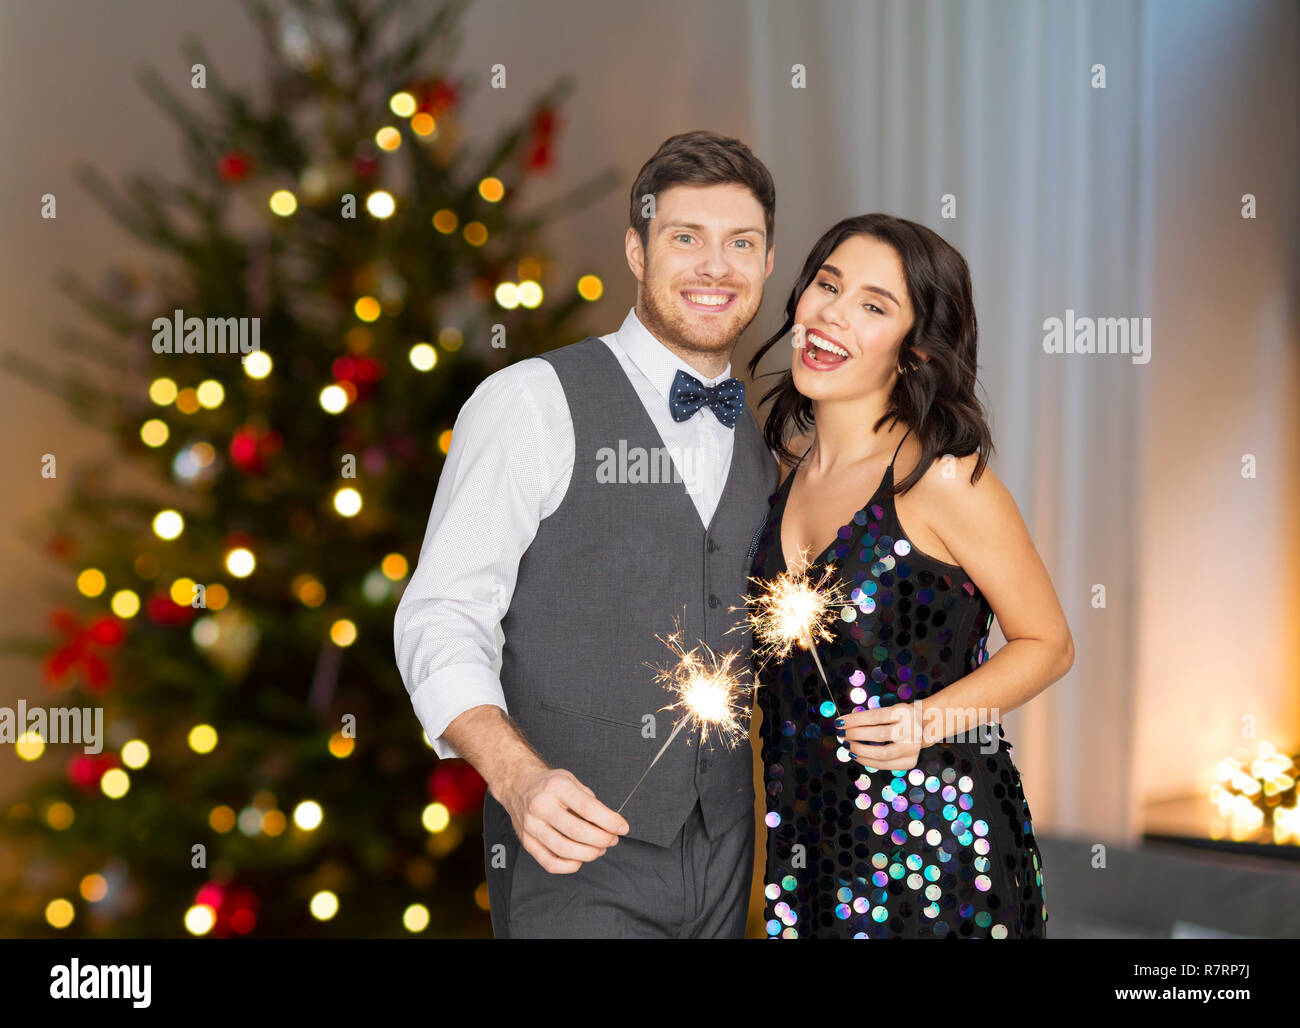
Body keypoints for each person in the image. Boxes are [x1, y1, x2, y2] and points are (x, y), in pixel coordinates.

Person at [394, 130, 779, 937]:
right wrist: (519, 779)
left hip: (727, 857)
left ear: (768, 264)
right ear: (637, 251)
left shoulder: (766, 441)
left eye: (740, 243)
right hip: (570, 850)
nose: (716, 267)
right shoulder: (529, 401)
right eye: (686, 238)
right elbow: (440, 615)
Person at [746, 213, 1074, 938]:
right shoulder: (777, 480)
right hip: (808, 854)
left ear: (917, 351)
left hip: (938, 859)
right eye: (827, 285)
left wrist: (929, 720)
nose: (833, 311)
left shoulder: (942, 479)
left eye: (873, 305)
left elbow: (1047, 642)